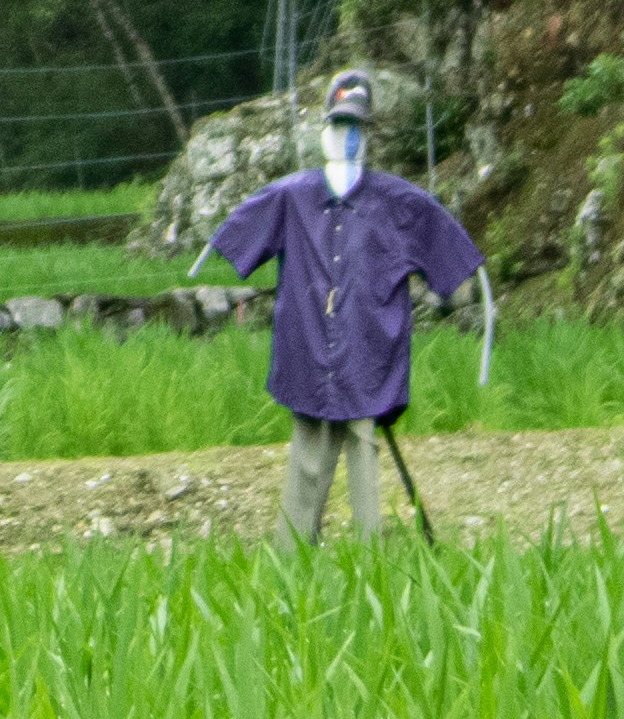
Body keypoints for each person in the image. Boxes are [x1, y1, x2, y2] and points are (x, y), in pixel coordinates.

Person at [203, 68, 483, 543]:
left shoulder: (398, 202)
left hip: (367, 352)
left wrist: (469, 279)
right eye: (339, 128)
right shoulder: (292, 197)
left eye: (357, 129)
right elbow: (234, 237)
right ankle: (292, 554)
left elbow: (448, 248)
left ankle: (369, 554)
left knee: (362, 445)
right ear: (325, 132)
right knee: (308, 447)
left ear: (367, 135)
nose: (348, 139)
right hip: (308, 349)